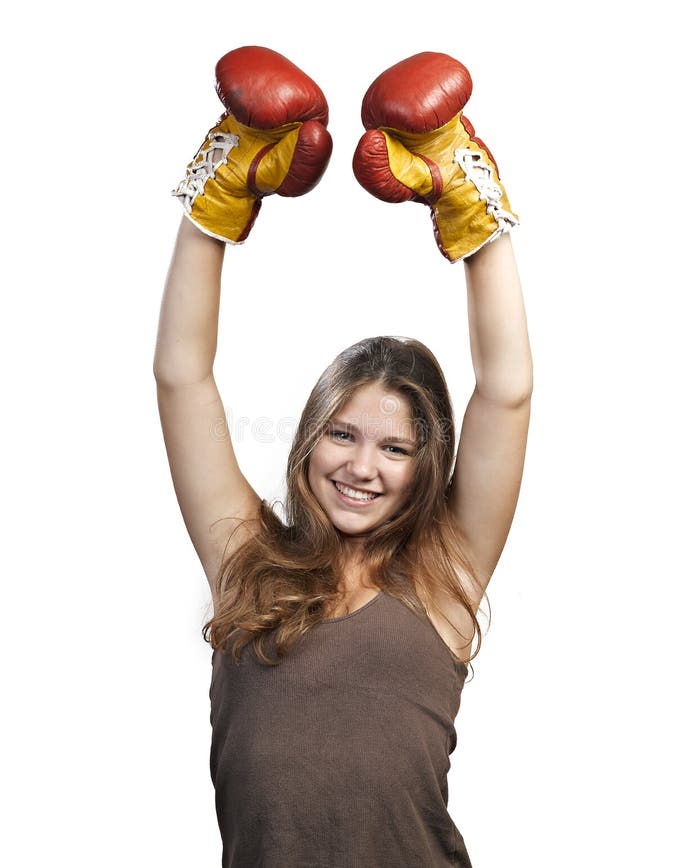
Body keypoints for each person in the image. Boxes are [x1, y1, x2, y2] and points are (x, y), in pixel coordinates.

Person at [153, 46, 533, 868]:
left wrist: (472, 216)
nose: (363, 466)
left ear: (425, 468)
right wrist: (215, 203)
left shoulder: (443, 580)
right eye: (343, 434)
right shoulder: (245, 564)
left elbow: (505, 389)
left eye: (396, 448)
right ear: (309, 439)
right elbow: (182, 376)